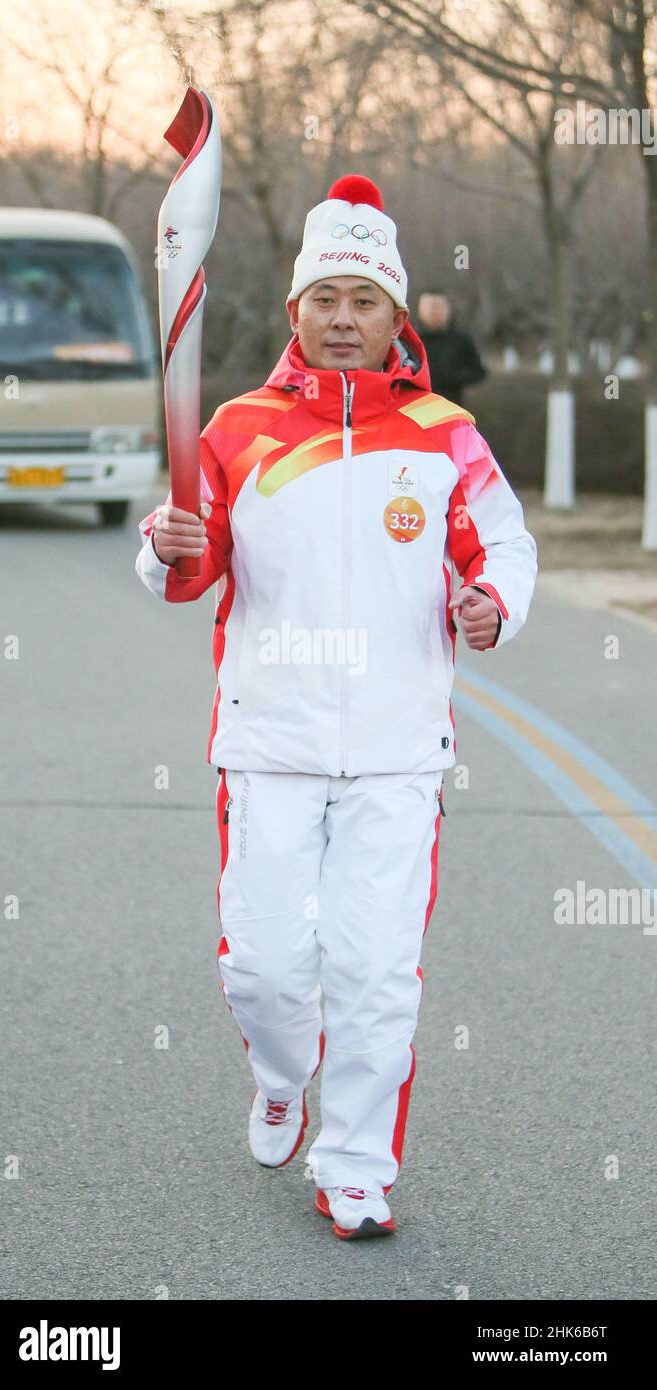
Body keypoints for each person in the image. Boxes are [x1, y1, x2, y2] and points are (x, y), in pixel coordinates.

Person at [135, 175, 537, 1241]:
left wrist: (489, 600)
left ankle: (355, 1166)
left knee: (375, 972)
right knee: (265, 967)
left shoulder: (445, 433)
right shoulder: (236, 429)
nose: (344, 318)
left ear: (396, 317)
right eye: (327, 298)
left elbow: (504, 542)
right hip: (269, 744)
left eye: (365, 299)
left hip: (400, 755)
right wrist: (164, 549)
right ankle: (280, 1074)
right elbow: (190, 563)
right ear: (296, 313)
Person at [416, 289, 487, 406]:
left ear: (447, 309)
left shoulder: (461, 340)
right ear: (420, 309)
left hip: (451, 406)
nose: (433, 311)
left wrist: (453, 377)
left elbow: (479, 372)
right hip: (415, 408)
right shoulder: (409, 340)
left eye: (438, 306)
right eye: (428, 306)